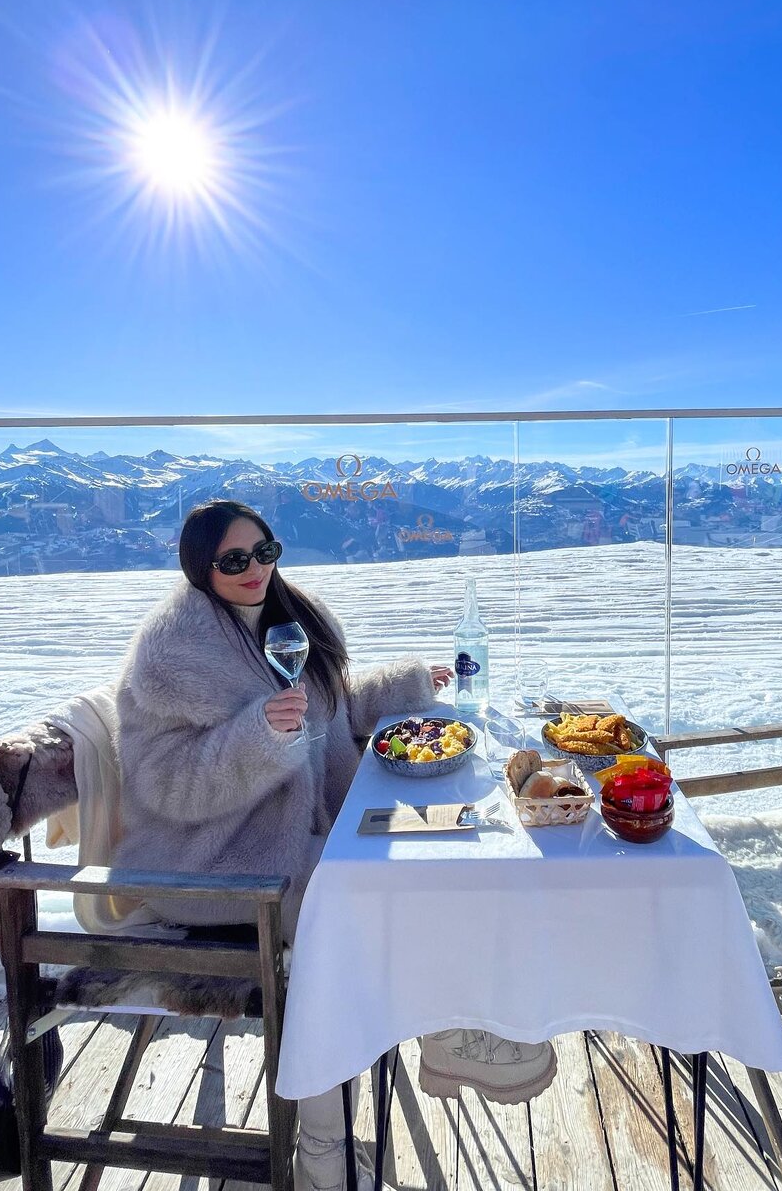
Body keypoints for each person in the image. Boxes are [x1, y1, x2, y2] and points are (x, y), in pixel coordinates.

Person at [114, 499, 553, 1191]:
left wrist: (408, 684)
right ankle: (329, 1142)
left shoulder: (288, 622)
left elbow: (332, 710)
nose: (254, 569)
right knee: (352, 901)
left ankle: (446, 1028)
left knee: (425, 850)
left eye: (265, 551)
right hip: (214, 862)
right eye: (233, 560)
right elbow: (164, 785)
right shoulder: (171, 654)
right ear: (202, 568)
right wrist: (254, 738)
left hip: (302, 838)